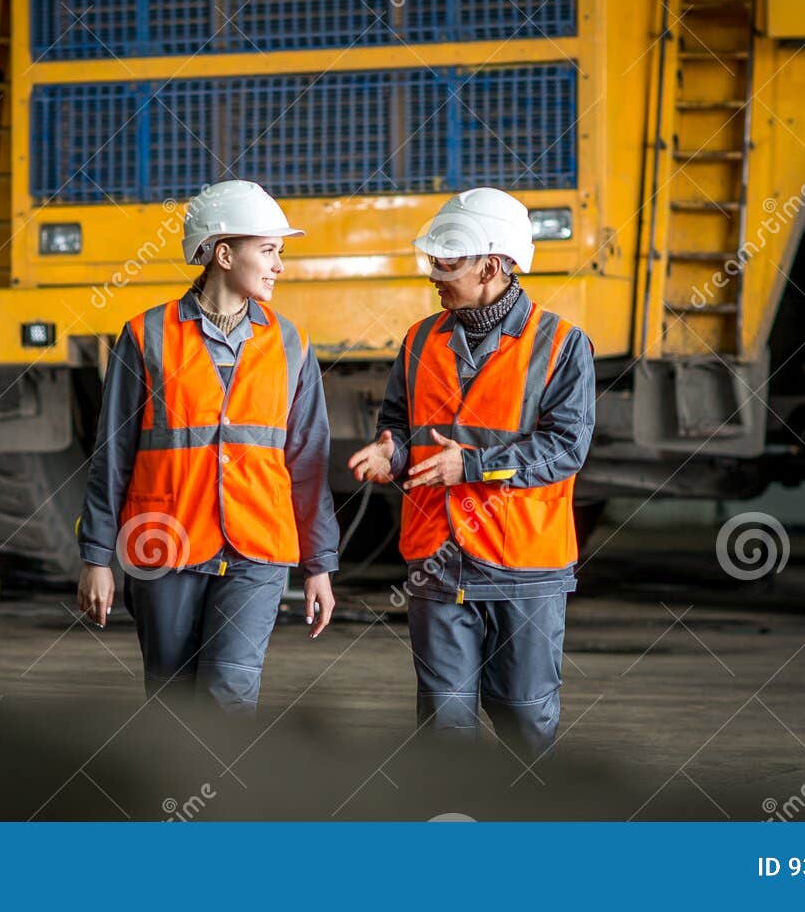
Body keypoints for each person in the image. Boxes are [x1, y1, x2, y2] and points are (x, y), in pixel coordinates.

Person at [348, 187, 595, 759]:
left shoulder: (560, 344)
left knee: (525, 722)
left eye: (447, 262)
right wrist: (393, 455)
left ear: (491, 265)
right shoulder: (418, 339)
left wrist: (474, 466)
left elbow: (565, 449)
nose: (435, 274)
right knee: (442, 727)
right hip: (437, 562)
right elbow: (401, 429)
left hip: (523, 567)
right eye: (433, 261)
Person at [76, 179, 339, 715]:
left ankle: (219, 802)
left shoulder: (292, 344)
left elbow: (308, 463)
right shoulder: (146, 335)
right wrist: (96, 557)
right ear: (223, 253)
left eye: (279, 253)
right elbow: (113, 452)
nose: (278, 266)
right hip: (164, 547)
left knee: (229, 696)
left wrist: (319, 564)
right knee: (170, 701)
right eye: (268, 251)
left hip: (257, 550)